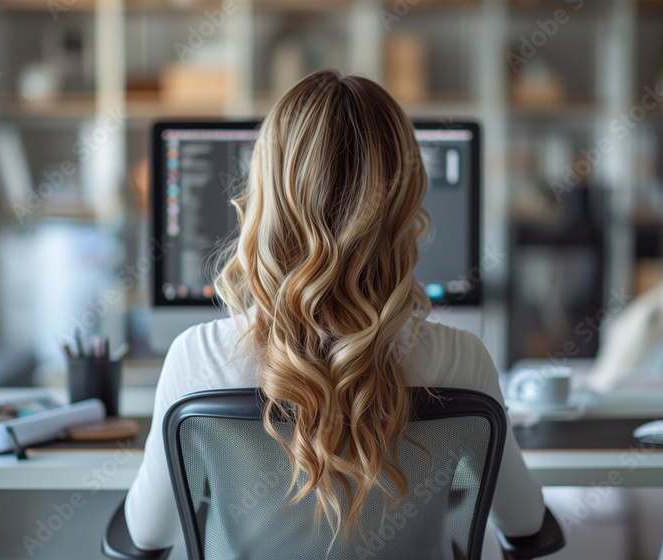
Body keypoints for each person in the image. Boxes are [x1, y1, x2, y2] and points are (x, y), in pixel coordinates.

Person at [125, 70, 545, 555]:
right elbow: (527, 524)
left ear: (266, 196)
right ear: (405, 201)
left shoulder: (197, 357)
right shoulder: (463, 359)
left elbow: (145, 536)